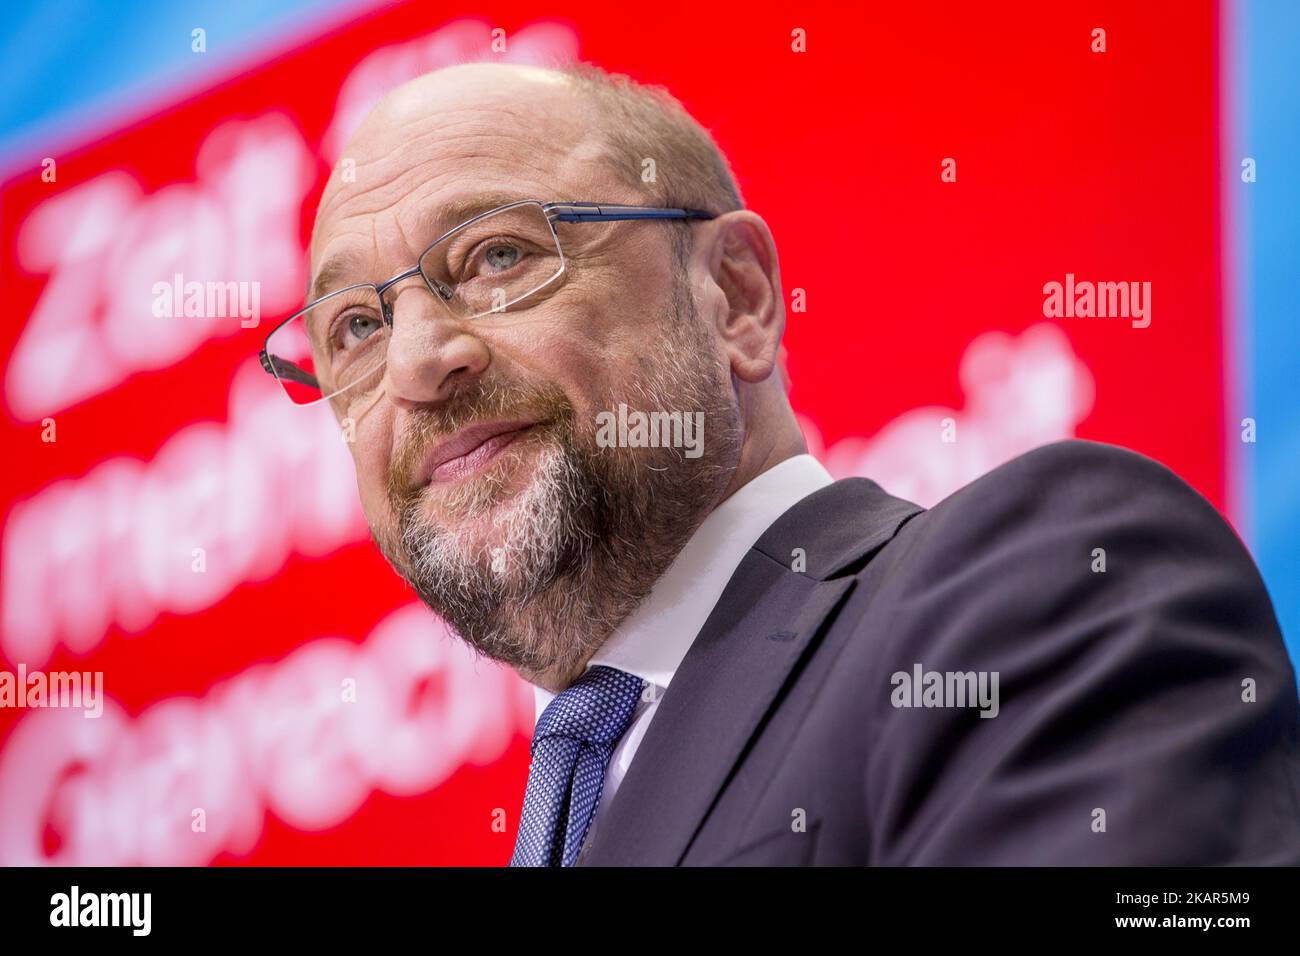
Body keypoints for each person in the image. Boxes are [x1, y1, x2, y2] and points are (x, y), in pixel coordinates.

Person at [259, 59, 1300, 866]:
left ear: (738, 297)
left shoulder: (1033, 587)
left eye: (496, 256)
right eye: (352, 326)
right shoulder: (563, 807)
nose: (415, 364)